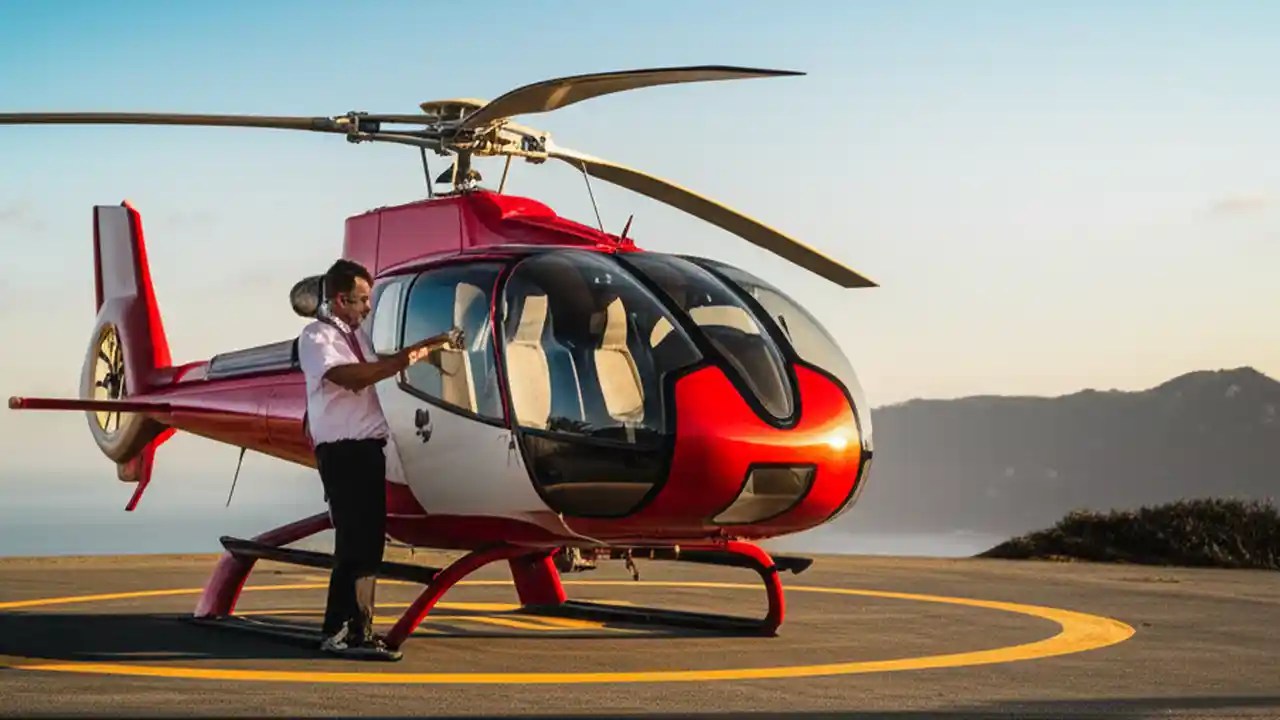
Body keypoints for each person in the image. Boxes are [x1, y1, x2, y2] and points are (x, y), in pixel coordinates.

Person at [296, 258, 461, 661]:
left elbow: (371, 369)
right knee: (354, 541)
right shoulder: (318, 337)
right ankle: (336, 630)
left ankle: (359, 628)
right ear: (340, 299)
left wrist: (426, 350)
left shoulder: (357, 338)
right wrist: (409, 357)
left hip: (367, 451)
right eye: (362, 300)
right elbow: (352, 378)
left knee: (369, 542)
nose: (368, 308)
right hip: (344, 451)